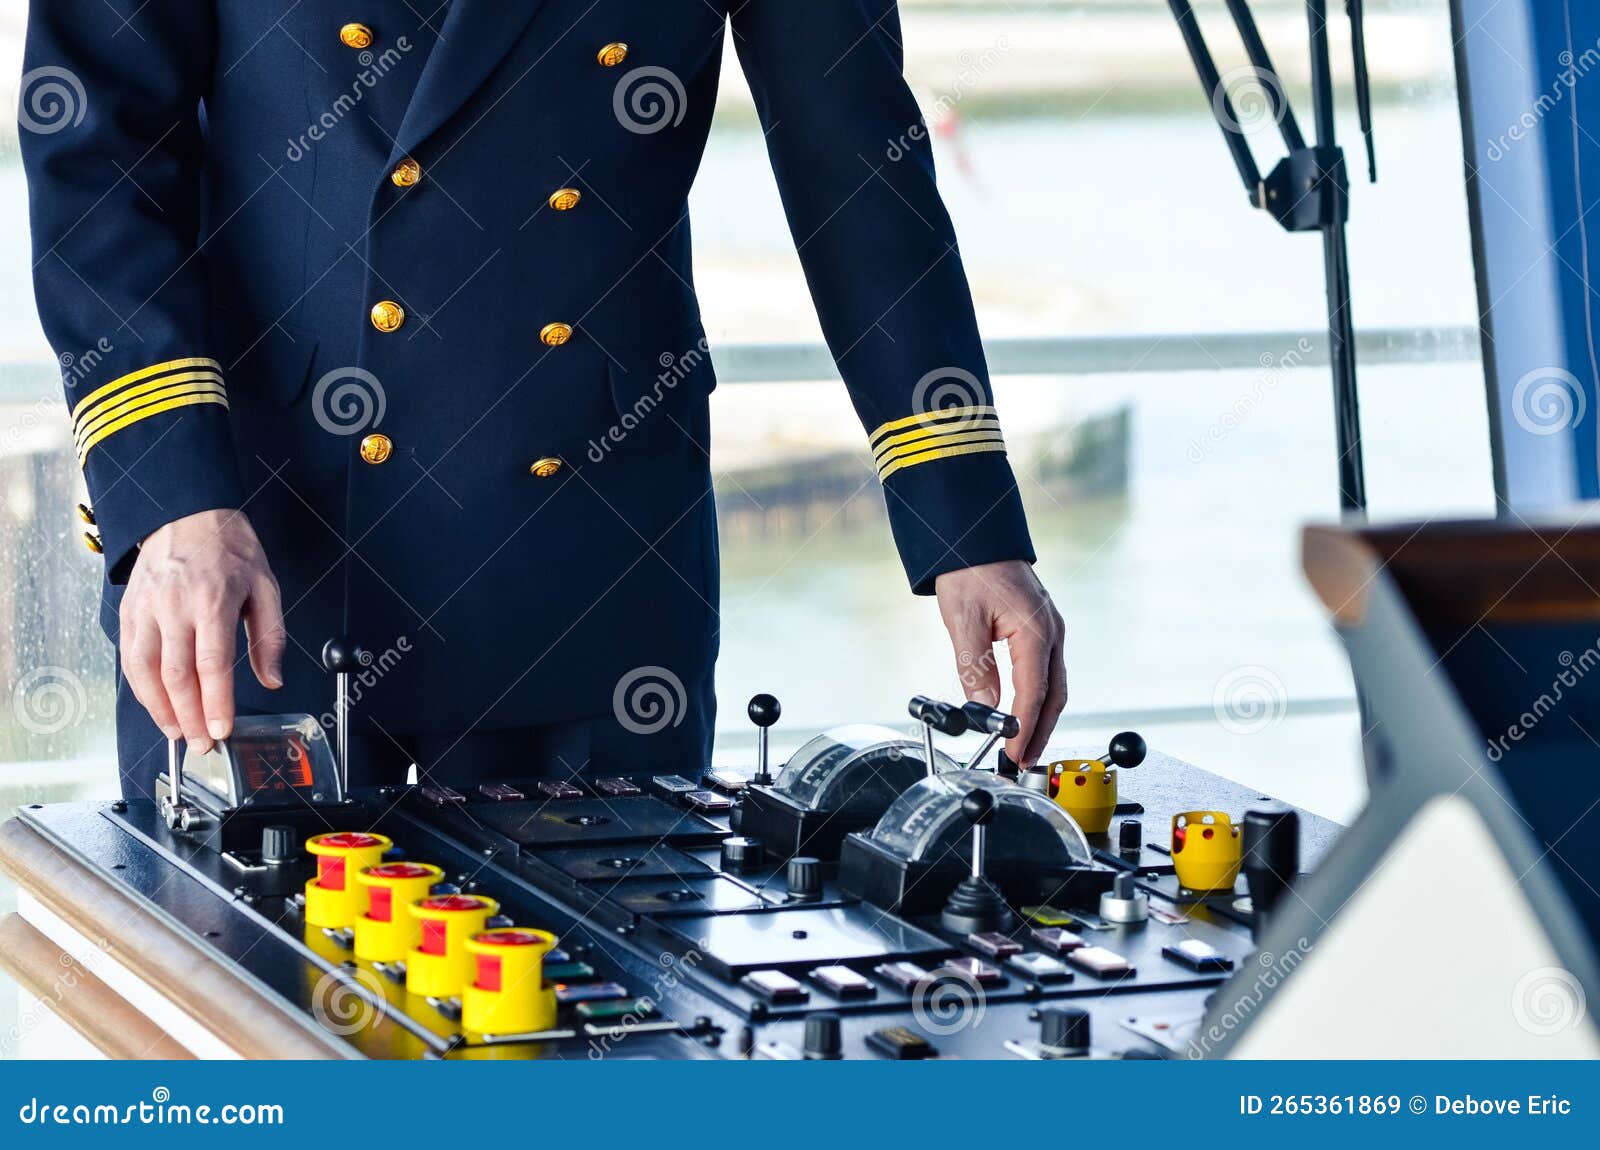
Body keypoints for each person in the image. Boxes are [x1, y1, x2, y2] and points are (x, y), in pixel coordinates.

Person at [22, 1, 1066, 797]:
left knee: (588, 1043)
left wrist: (962, 515)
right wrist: (165, 495)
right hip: (253, 560)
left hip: (585, 559)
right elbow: (100, 156)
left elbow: (857, 172)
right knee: (251, 1032)